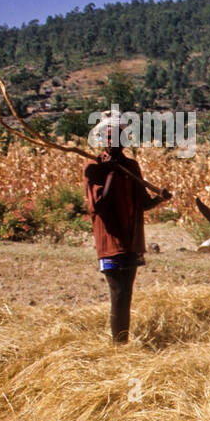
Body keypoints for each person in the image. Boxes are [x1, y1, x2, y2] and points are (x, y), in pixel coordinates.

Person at [83, 115, 172, 343]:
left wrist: (159, 199)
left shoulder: (131, 166)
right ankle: (118, 345)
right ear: (102, 139)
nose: (116, 143)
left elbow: (142, 203)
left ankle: (121, 341)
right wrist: (112, 172)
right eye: (111, 137)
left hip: (131, 238)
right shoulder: (94, 167)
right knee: (118, 291)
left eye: (121, 137)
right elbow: (99, 205)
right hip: (110, 239)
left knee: (127, 293)